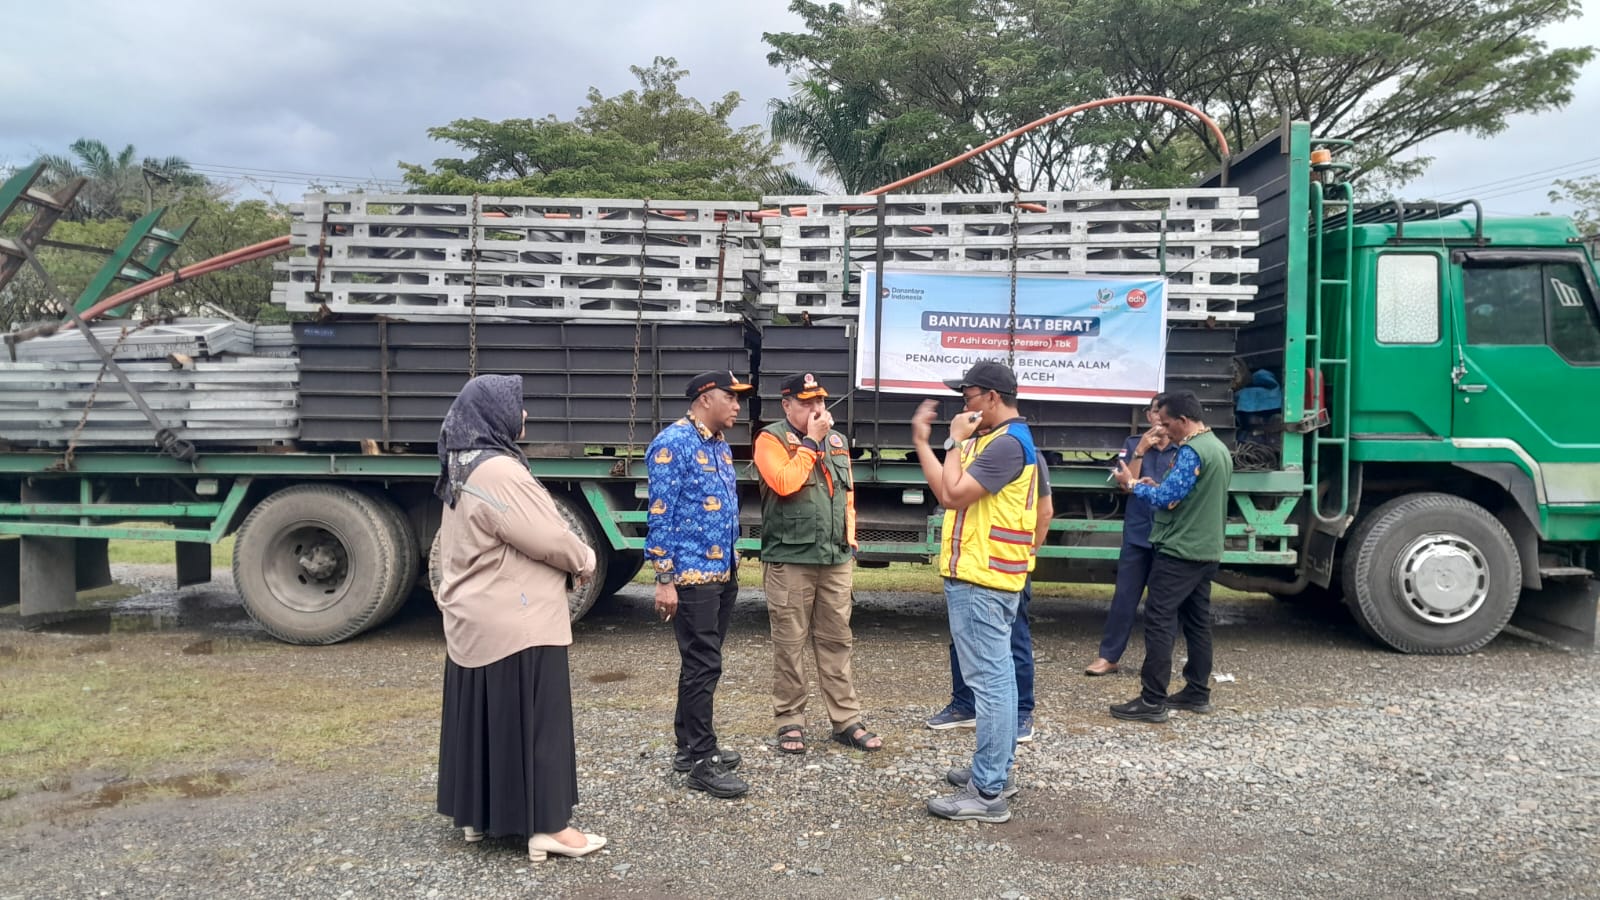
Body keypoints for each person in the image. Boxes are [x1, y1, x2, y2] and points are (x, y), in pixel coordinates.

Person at [433, 374, 607, 862]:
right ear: (495, 415)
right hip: (517, 619)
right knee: (538, 725)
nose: (525, 415)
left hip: (474, 618)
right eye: (518, 406)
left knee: (484, 721)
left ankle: (479, 816)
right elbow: (548, 537)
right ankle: (548, 826)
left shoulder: (461, 466)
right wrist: (586, 560)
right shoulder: (500, 472)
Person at [911, 360, 1042, 824]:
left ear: (990, 397)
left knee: (990, 685)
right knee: (996, 680)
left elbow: (951, 497)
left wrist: (952, 442)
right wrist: (927, 444)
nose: (962, 405)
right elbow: (948, 487)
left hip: (982, 579)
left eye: (967, 396)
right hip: (986, 575)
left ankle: (987, 791)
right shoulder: (997, 443)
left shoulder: (1005, 446)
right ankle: (996, 772)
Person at [753, 373, 882, 755]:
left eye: (820, 401)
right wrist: (810, 443)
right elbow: (784, 483)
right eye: (807, 403)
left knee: (837, 641)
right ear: (787, 405)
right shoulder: (770, 439)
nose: (817, 409)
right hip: (790, 560)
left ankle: (846, 720)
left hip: (835, 558)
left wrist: (851, 538)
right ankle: (789, 721)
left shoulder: (838, 441)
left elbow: (847, 495)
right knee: (789, 644)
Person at [647, 369, 754, 798]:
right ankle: (703, 760)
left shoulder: (718, 444)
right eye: (731, 397)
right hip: (691, 577)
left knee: (699, 662)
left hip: (721, 571)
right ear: (706, 397)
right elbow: (661, 514)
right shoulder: (673, 443)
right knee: (703, 664)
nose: (737, 406)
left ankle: (687, 746)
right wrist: (664, 578)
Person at [1108, 390, 1234, 723]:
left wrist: (1133, 484)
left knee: (1160, 620)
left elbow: (1167, 498)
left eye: (1166, 423)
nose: (1163, 429)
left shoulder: (1191, 451)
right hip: (1206, 550)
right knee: (1197, 622)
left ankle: (1152, 700)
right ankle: (1196, 691)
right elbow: (1189, 494)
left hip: (1179, 550)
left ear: (1182, 420)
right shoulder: (1219, 448)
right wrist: (1157, 484)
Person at [925, 462, 1053, 744]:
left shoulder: (1022, 453)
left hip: (1006, 569)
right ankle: (965, 705)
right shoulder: (976, 451)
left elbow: (1045, 511)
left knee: (1013, 640)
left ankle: (1021, 713)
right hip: (971, 567)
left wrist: (1029, 554)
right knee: (963, 640)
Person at [1085, 394, 1180, 676]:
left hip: (1169, 533)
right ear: (1149, 416)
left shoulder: (1183, 448)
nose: (1157, 419)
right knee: (1125, 596)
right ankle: (1108, 657)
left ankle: (1157, 663)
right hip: (1138, 532)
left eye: (1162, 413)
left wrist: (1154, 486)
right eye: (1153, 412)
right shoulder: (1131, 444)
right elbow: (1127, 485)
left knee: (1163, 603)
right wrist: (1140, 450)